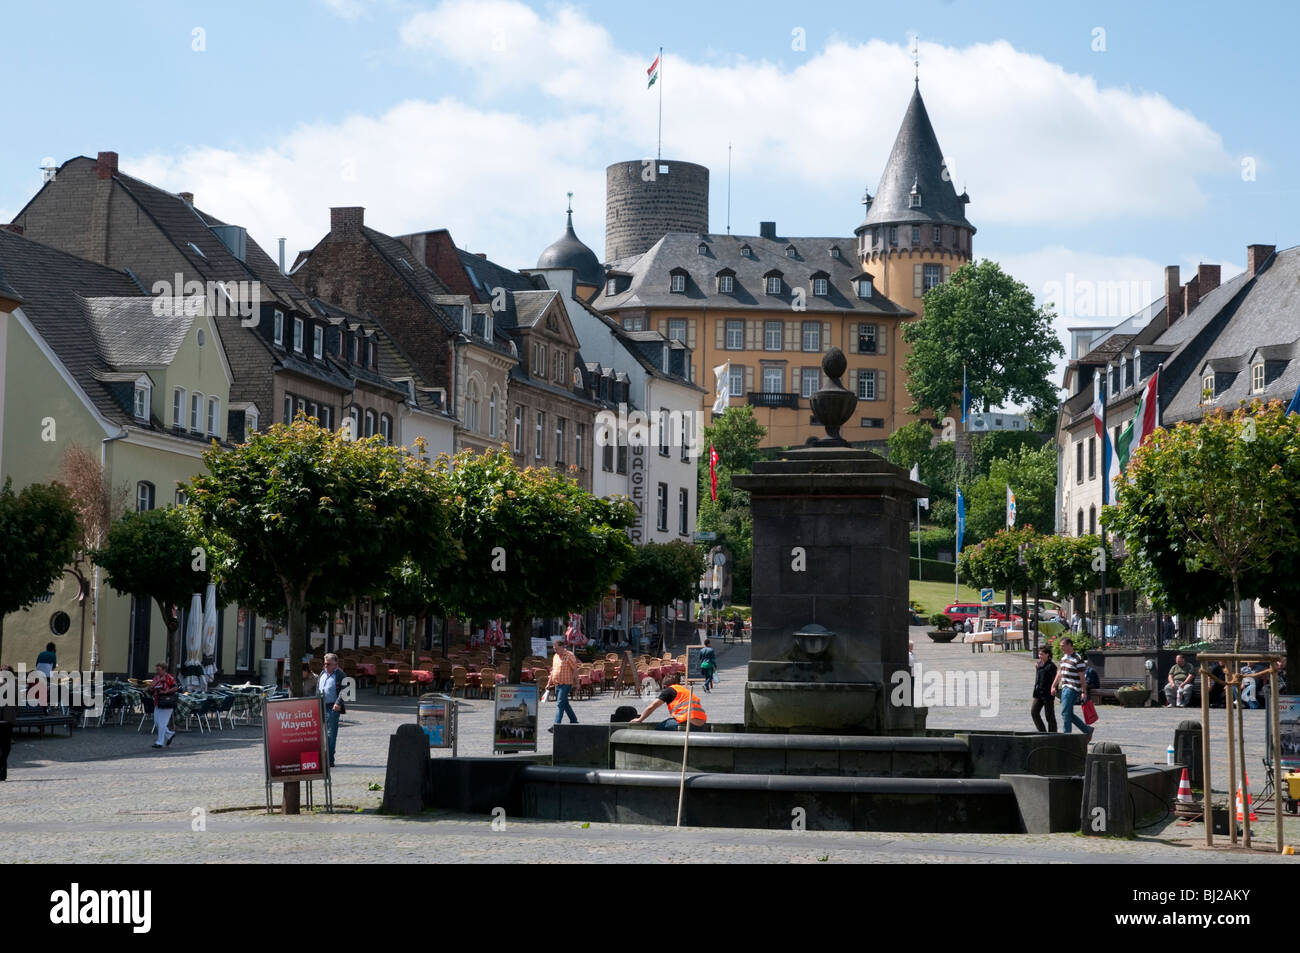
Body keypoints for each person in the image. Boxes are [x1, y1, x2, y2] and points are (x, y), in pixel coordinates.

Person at [630, 672, 707, 730]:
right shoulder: (684, 690)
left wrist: (639, 719)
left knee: (658, 730)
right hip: (701, 724)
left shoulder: (669, 690)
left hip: (686, 722)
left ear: (665, 686)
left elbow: (652, 706)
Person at [1051, 638, 1093, 736]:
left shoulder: (1077, 659)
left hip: (1073, 688)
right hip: (1065, 687)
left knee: (1065, 713)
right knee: (1067, 713)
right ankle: (1087, 730)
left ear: (1069, 645)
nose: (1061, 648)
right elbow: (1060, 673)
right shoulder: (1064, 657)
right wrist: (1053, 685)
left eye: (1063, 646)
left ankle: (1067, 735)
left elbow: (1082, 677)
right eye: (1061, 646)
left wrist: (1084, 691)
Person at [318, 653, 346, 767]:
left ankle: (329, 760)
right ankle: (321, 758)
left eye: (328, 664)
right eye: (324, 663)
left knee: (330, 734)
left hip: (332, 707)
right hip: (320, 706)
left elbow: (346, 690)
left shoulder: (340, 674)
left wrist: (338, 703)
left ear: (335, 664)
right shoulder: (322, 673)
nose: (325, 666)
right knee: (319, 733)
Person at [547, 639, 578, 732]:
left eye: (556, 648)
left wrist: (577, 683)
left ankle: (556, 725)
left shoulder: (569, 655)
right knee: (565, 704)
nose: (555, 650)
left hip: (566, 684)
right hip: (557, 684)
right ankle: (574, 720)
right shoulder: (555, 656)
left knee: (560, 704)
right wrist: (549, 683)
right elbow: (553, 671)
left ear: (562, 647)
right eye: (554, 648)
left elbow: (575, 669)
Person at [148, 662, 178, 749]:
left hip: (167, 703)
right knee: (157, 723)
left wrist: (165, 692)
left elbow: (175, 687)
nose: (157, 671)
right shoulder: (157, 677)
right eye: (156, 669)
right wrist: (155, 683)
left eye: (159, 670)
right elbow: (151, 687)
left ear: (164, 669)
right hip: (158, 702)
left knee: (162, 723)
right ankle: (170, 734)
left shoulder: (169, 678)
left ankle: (159, 742)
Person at [1031, 647, 1057, 733]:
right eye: (1039, 654)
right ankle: (1042, 731)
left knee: (1049, 716)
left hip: (1047, 694)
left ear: (1047, 654)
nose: (1039, 656)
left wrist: (1054, 689)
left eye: (1041, 654)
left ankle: (1053, 734)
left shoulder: (1051, 666)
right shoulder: (1038, 664)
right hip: (1038, 693)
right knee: (1034, 712)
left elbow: (1055, 679)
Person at [0, 665, 17, 781]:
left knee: (3, 746)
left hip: (5, 719)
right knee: (5, 746)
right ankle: (2, 773)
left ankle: (2, 772)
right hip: (7, 720)